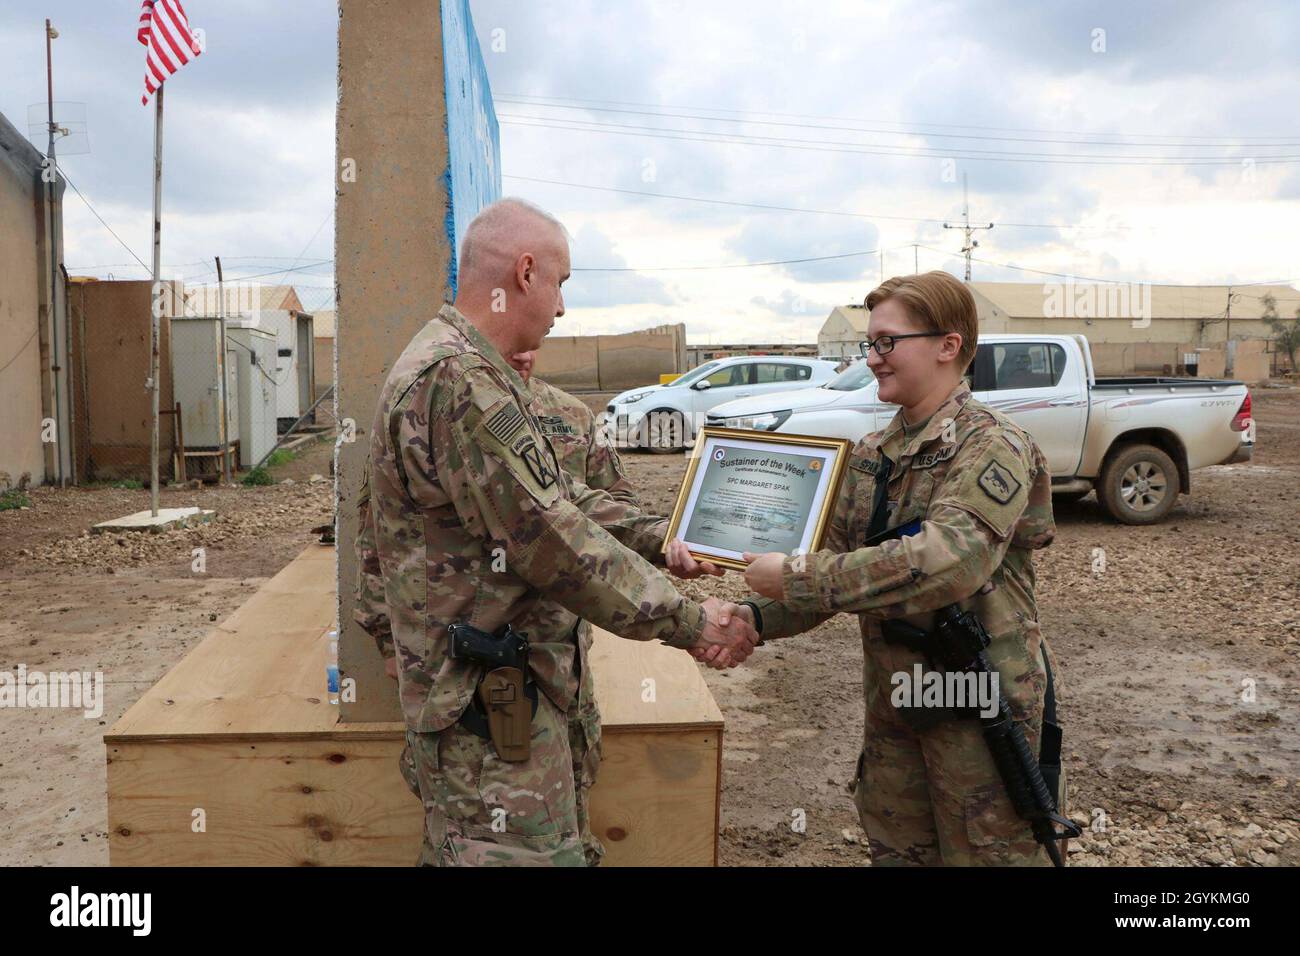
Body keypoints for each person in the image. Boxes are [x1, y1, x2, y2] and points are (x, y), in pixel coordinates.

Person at [353, 197, 756, 867]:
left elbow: (561, 497)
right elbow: (548, 536)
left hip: (507, 693)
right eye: (562, 283)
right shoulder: (460, 379)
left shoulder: (465, 370)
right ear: (526, 272)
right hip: (487, 709)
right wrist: (690, 622)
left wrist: (658, 539)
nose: (563, 307)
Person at [670, 270, 1064, 866]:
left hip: (979, 713)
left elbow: (946, 563)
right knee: (899, 853)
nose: (873, 358)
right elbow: (826, 570)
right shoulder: (873, 456)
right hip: (898, 709)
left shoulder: (993, 444)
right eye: (869, 344)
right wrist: (748, 612)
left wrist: (798, 575)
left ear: (947, 345)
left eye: (886, 342)